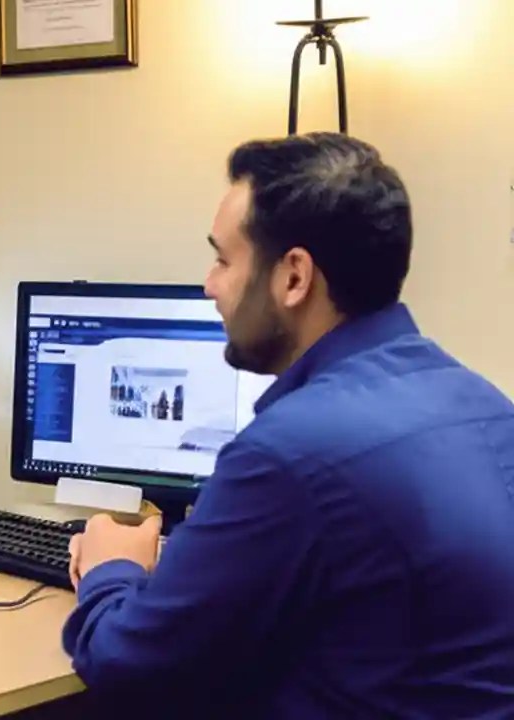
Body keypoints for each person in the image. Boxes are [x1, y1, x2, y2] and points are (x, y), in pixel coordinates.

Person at [63, 133, 514, 717]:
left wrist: (109, 566)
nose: (210, 285)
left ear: (295, 276)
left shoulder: (288, 452)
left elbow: (126, 662)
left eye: (224, 260)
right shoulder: (483, 402)